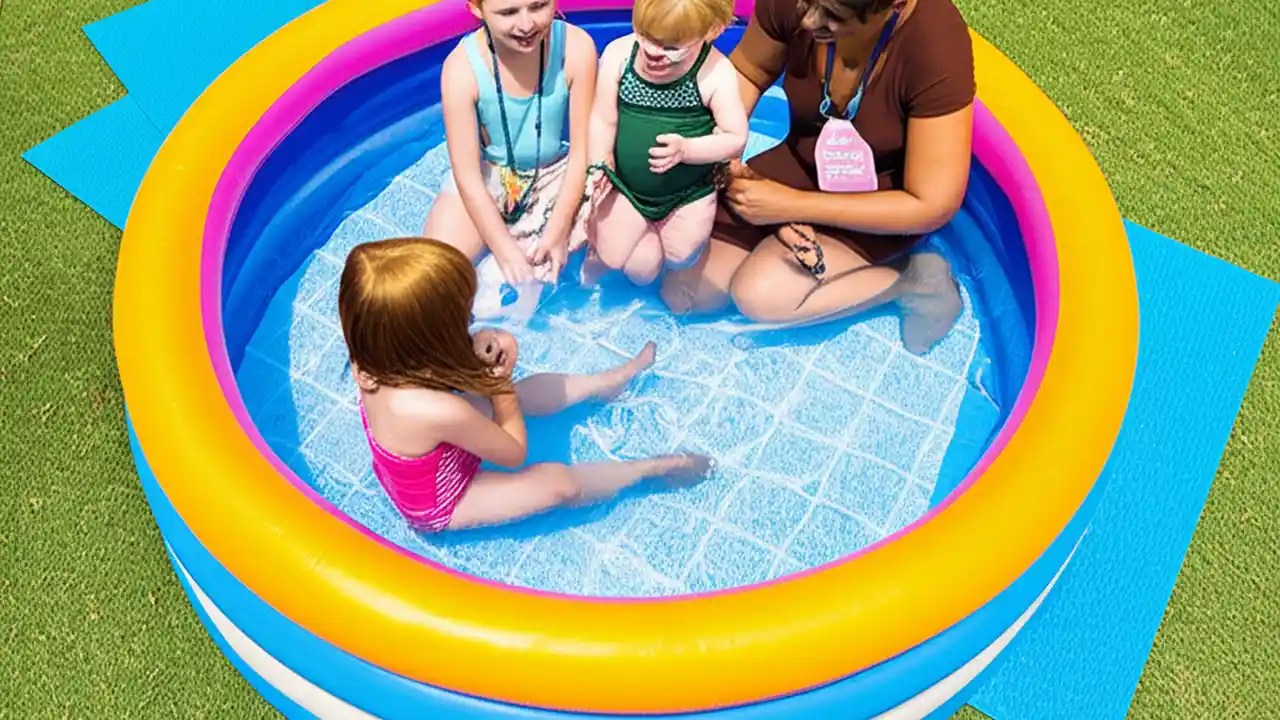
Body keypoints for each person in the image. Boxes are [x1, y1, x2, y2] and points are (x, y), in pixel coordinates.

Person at [659, 0, 976, 354]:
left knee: (760, 296)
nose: (808, 20)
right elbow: (748, 72)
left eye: (832, 16)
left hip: (876, 202)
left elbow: (931, 204)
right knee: (684, 290)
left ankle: (914, 281)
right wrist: (723, 154)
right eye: (808, 2)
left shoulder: (935, 44)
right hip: (796, 169)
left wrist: (789, 206)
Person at [338, 237, 711, 532]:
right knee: (559, 484)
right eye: (463, 317)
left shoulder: (373, 353)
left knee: (512, 396)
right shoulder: (436, 410)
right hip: (441, 498)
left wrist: (485, 357)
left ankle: (607, 382)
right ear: (430, 341)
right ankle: (648, 470)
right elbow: (514, 452)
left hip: (431, 448)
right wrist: (500, 383)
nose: (472, 318)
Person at [424, 0, 597, 290]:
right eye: (508, 13)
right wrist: (505, 252)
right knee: (437, 273)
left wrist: (558, 228)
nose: (526, 24)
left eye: (538, 6)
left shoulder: (575, 48)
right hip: (489, 175)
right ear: (476, 8)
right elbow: (468, 176)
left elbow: (583, 153)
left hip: (557, 171)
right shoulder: (462, 69)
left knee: (594, 248)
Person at [579, 0, 748, 287]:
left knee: (680, 257)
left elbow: (735, 139)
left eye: (671, 48)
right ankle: (596, 261)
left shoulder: (715, 73)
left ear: (712, 31)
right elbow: (602, 118)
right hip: (624, 186)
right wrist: (599, 163)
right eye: (644, 35)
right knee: (636, 268)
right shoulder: (619, 55)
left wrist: (688, 150)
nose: (653, 52)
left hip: (688, 193)